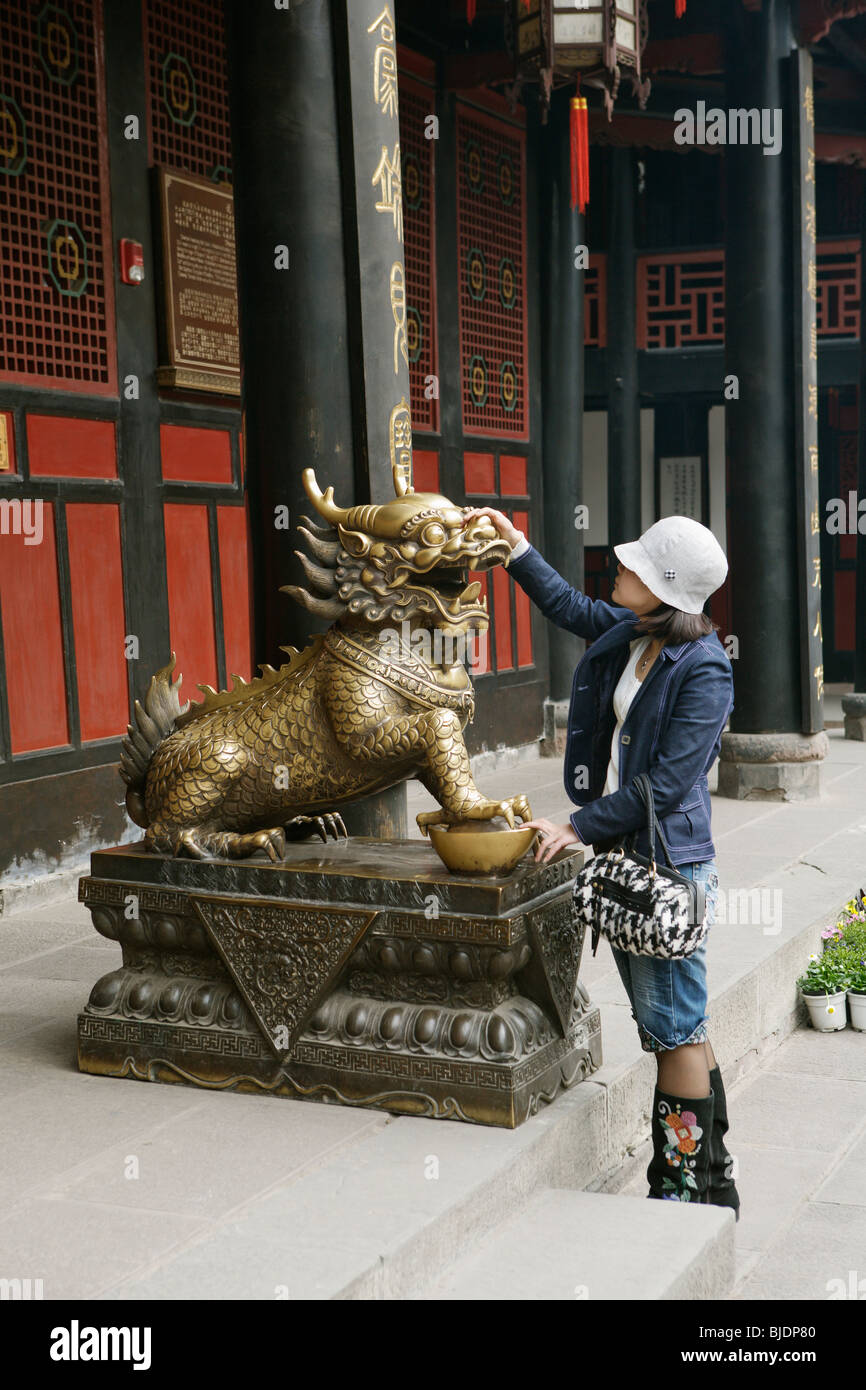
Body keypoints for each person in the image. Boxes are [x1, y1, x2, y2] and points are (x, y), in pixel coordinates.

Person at [462, 507, 740, 1215]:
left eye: (637, 567)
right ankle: (712, 1176)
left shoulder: (703, 668)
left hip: (667, 871)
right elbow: (569, 604)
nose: (619, 569)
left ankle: (680, 1189)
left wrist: (575, 824)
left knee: (673, 1029)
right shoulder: (632, 633)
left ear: (668, 589)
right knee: (679, 1024)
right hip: (632, 859)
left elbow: (667, 787)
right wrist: (514, 544)